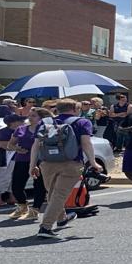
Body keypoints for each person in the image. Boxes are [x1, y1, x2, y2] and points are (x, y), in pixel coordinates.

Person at [32, 99, 92, 239]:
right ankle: (45, 228)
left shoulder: (45, 122)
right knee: (59, 195)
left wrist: (32, 165)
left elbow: (36, 145)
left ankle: (62, 219)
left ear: (56, 109)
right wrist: (93, 162)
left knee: (52, 193)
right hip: (71, 163)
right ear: (75, 109)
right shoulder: (82, 122)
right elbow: (86, 144)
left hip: (47, 163)